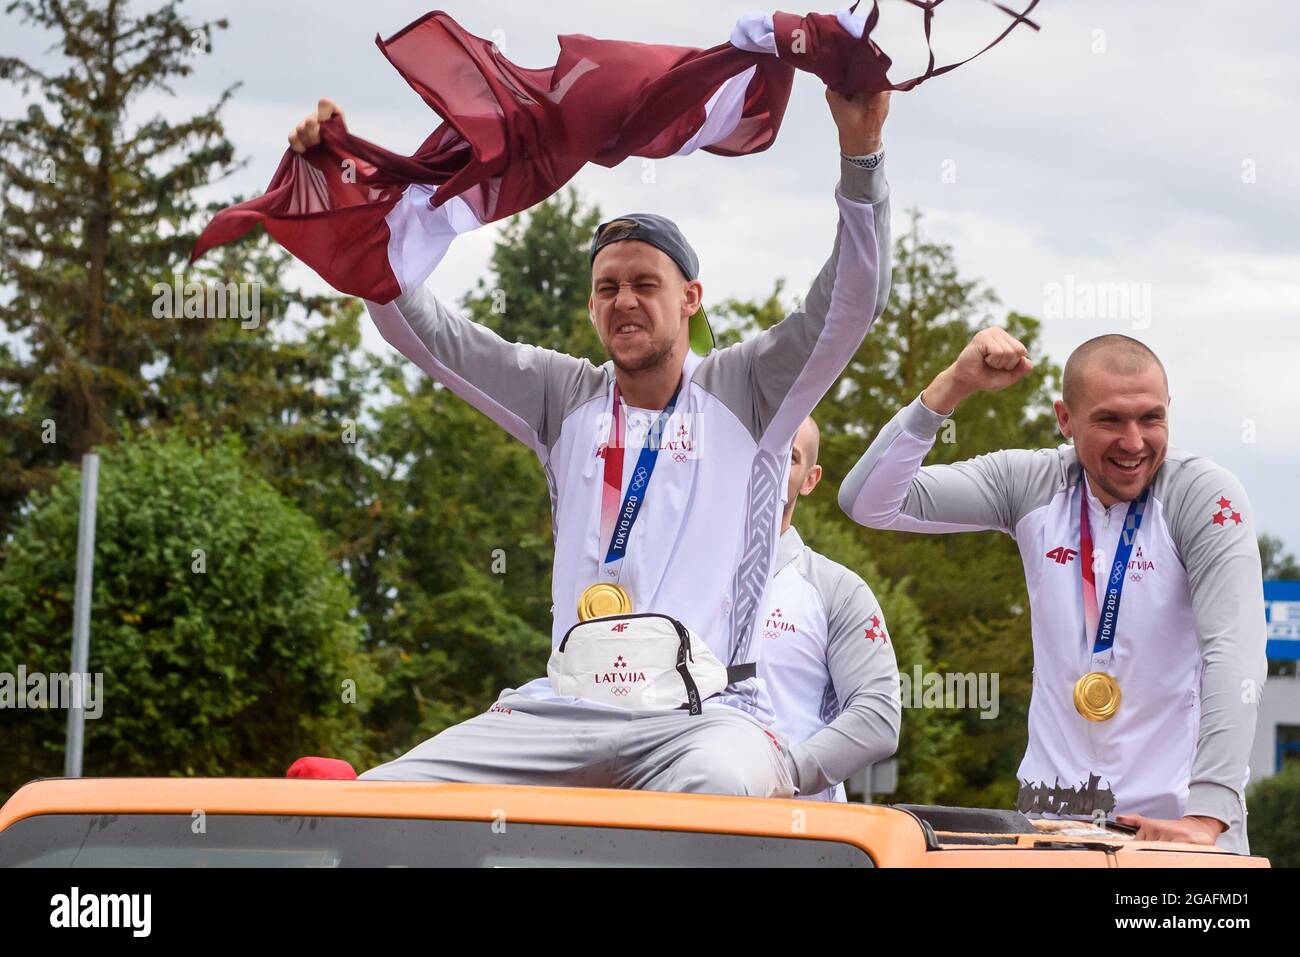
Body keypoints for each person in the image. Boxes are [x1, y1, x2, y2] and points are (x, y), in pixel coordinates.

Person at [287, 88, 894, 796]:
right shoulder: (563, 395)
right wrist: (353, 203)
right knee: (383, 799)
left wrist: (863, 150)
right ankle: (346, 797)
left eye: (645, 283)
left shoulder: (748, 391)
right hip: (564, 710)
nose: (624, 301)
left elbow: (854, 295)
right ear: (590, 304)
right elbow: (428, 336)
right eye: (607, 287)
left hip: (703, 717)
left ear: (690, 298)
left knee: (719, 796)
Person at [838, 327, 1266, 851]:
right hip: (1050, 825)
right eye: (1109, 419)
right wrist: (952, 386)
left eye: (1151, 418)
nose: (1134, 442)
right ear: (1065, 419)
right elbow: (868, 502)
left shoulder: (1203, 495)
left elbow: (1234, 653)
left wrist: (1208, 814)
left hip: (1179, 826)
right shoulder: (1029, 482)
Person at [758, 416, 901, 801]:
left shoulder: (838, 590)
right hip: (681, 817)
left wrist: (777, 777)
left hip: (796, 831)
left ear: (809, 479)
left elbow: (877, 718)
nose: (767, 463)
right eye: (758, 447)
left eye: (787, 457)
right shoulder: (676, 576)